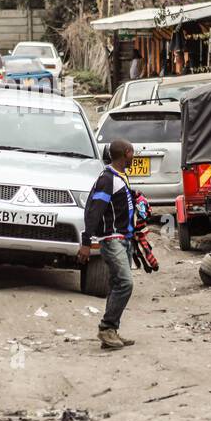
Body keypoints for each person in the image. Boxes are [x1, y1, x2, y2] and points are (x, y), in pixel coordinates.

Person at [77, 138, 139, 350]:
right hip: (112, 240)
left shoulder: (120, 176)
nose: (134, 156)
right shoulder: (107, 179)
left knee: (116, 285)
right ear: (127, 153)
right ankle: (106, 328)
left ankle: (111, 331)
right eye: (133, 152)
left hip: (124, 239)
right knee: (125, 283)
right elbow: (94, 211)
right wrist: (86, 242)